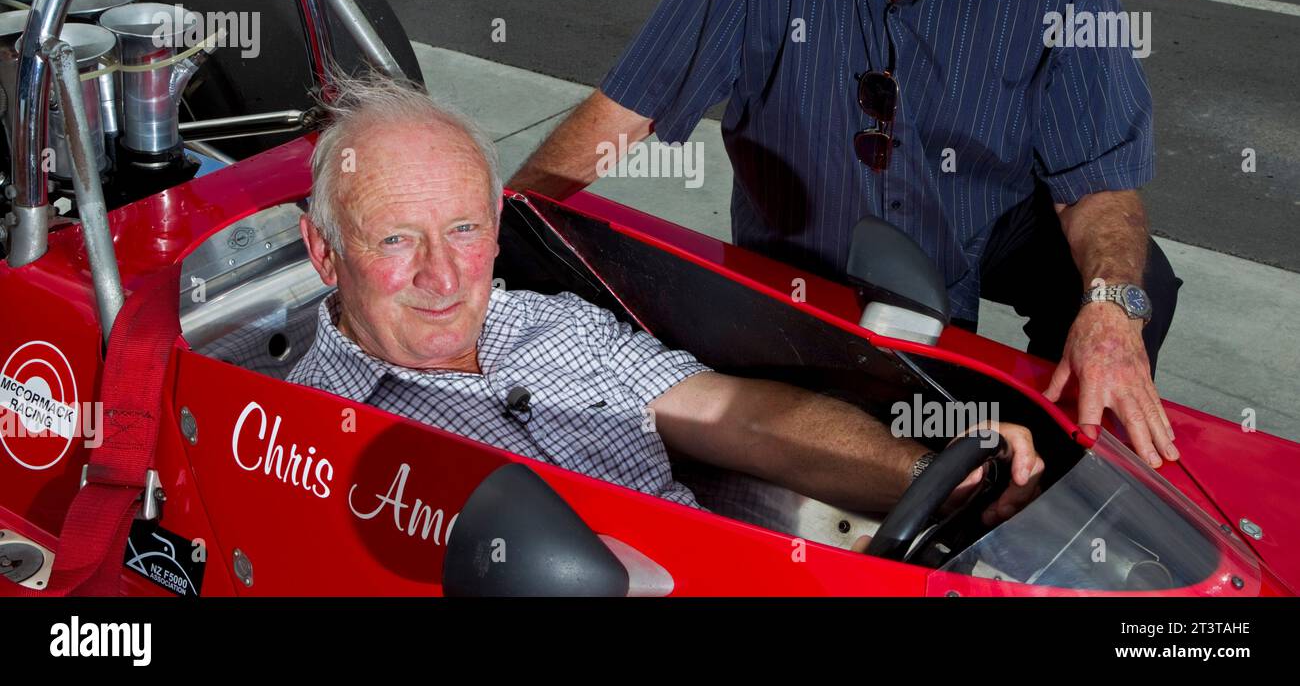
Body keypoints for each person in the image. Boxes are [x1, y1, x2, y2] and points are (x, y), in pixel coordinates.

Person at [508, 0, 1182, 470]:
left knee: (1138, 280)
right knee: (840, 444)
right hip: (809, 240)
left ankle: (1050, 459)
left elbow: (1101, 182)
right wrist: (502, 232)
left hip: (977, 222)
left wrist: (1111, 310)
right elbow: (628, 109)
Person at [288, 72, 1044, 533]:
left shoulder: (555, 322)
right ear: (325, 252)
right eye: (394, 242)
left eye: (462, 230)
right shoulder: (305, 445)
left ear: (494, 233)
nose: (444, 276)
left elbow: (742, 418)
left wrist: (927, 477)